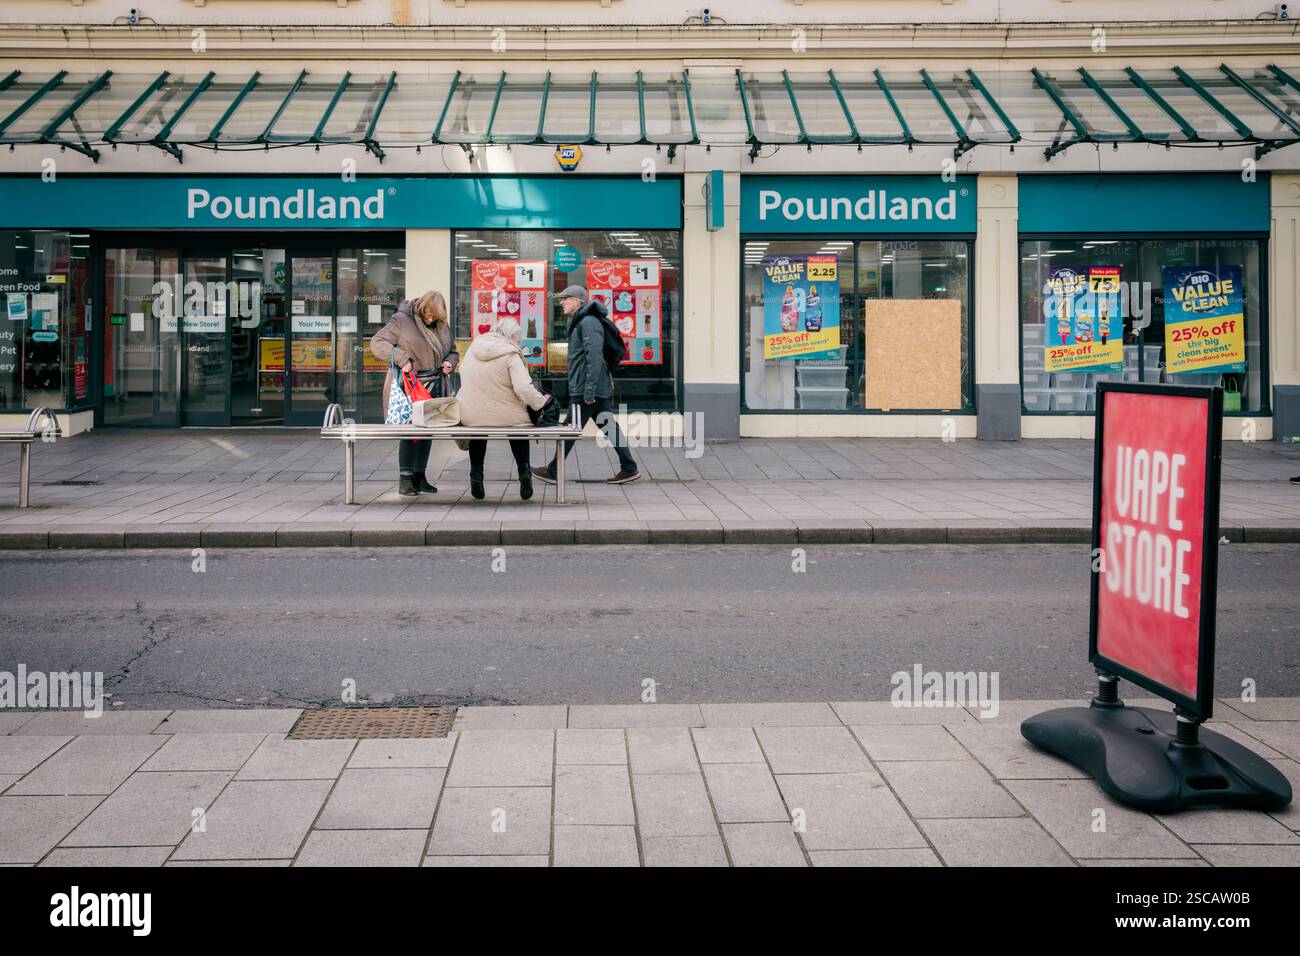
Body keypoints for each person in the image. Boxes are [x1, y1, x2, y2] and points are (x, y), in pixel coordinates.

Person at [530, 284, 640, 486]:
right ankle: (629, 467)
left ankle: (553, 470)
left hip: (588, 389)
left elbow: (595, 358)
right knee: (609, 428)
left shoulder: (588, 322)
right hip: (591, 387)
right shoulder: (579, 321)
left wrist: (588, 389)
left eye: (565, 298)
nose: (561, 302)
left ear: (577, 301)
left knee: (570, 430)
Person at [370, 291, 457, 497]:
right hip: (409, 384)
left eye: (434, 316)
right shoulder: (401, 320)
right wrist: (402, 359)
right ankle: (405, 479)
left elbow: (452, 350)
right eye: (427, 314)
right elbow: (377, 343)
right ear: (420, 308)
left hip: (435, 384)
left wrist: (450, 363)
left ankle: (420, 476)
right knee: (410, 432)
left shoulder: (442, 325)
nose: (430, 318)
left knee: (427, 431)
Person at [457, 316, 551, 500]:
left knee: (477, 428)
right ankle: (524, 474)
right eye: (518, 338)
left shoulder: (473, 349)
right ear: (510, 336)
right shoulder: (510, 354)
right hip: (507, 415)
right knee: (518, 428)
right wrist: (541, 403)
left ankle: (476, 475)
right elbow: (523, 388)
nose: (519, 342)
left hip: (471, 414)